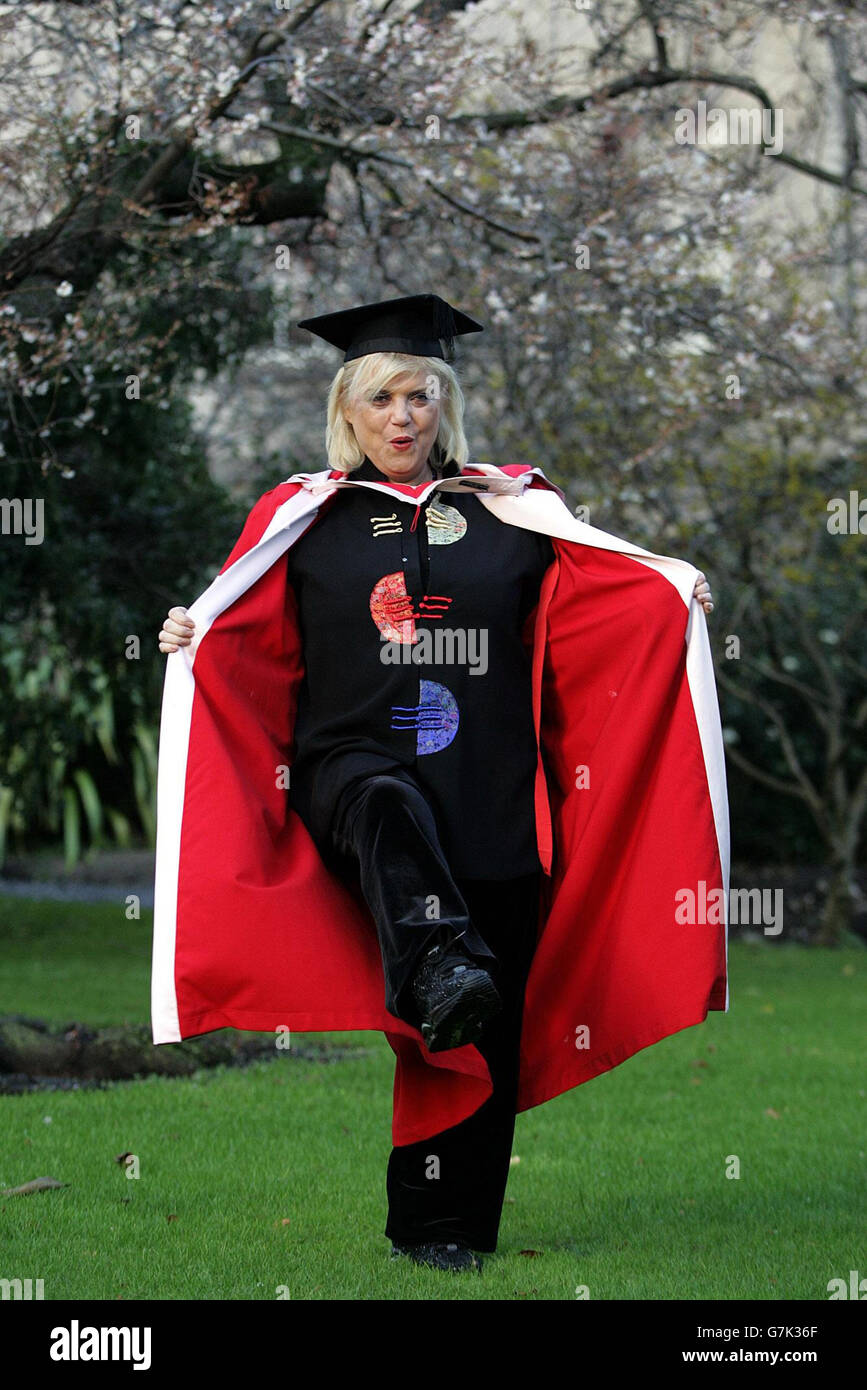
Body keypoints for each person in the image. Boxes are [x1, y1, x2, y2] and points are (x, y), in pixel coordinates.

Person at [154, 294, 724, 1275]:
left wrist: (668, 594)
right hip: (349, 773)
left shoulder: (511, 510)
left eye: (420, 395)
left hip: (494, 797)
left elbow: (596, 607)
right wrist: (187, 635)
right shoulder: (304, 518)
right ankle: (435, 968)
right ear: (349, 409)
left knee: (479, 1021)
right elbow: (240, 629)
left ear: (444, 406)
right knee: (388, 809)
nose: (403, 417)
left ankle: (446, 1226)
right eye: (382, 398)